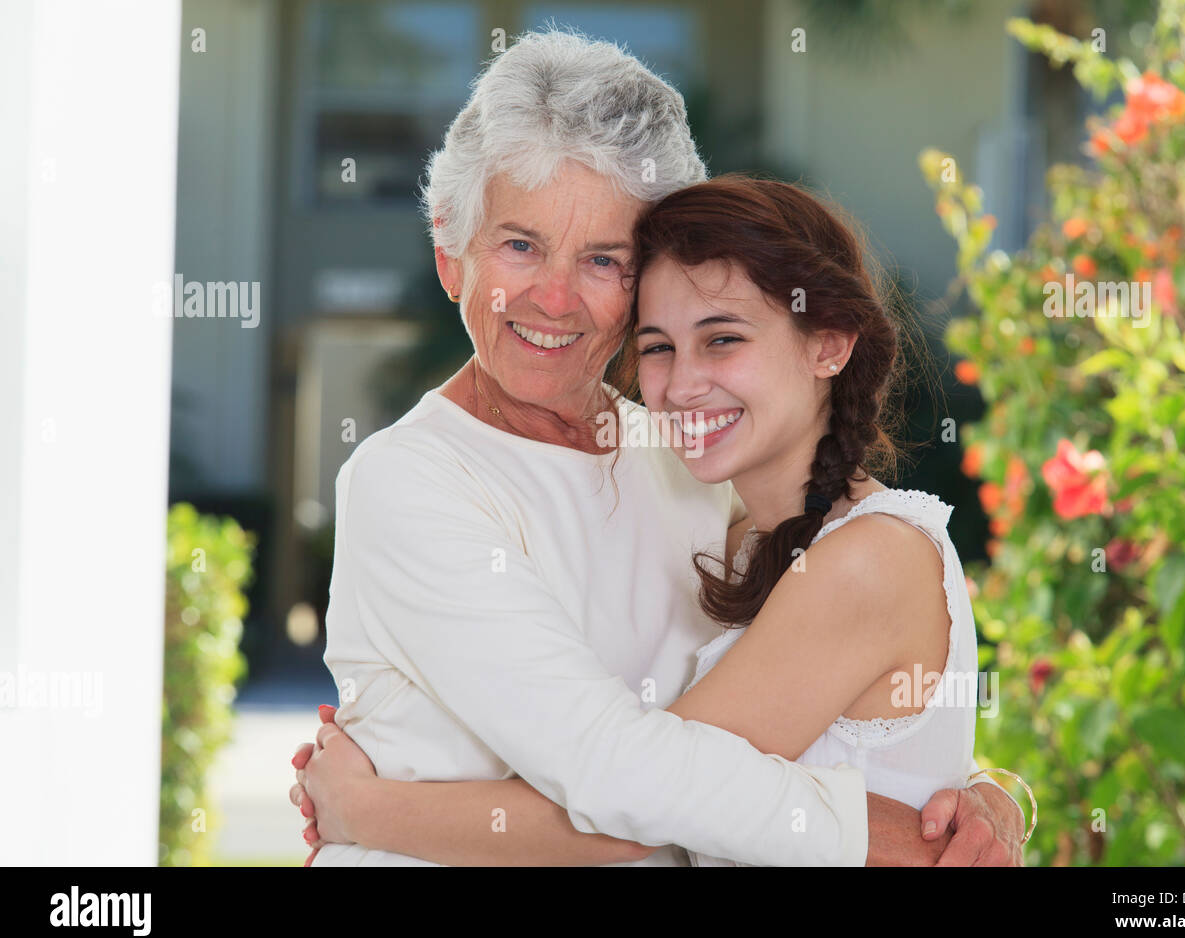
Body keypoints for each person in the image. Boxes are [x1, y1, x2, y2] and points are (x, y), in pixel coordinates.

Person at [289, 28, 1028, 867]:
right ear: (450, 255)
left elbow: (823, 713)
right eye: (520, 245)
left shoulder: (692, 456)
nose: (556, 297)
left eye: (602, 259)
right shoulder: (407, 480)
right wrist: (871, 832)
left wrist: (987, 792)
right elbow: (622, 773)